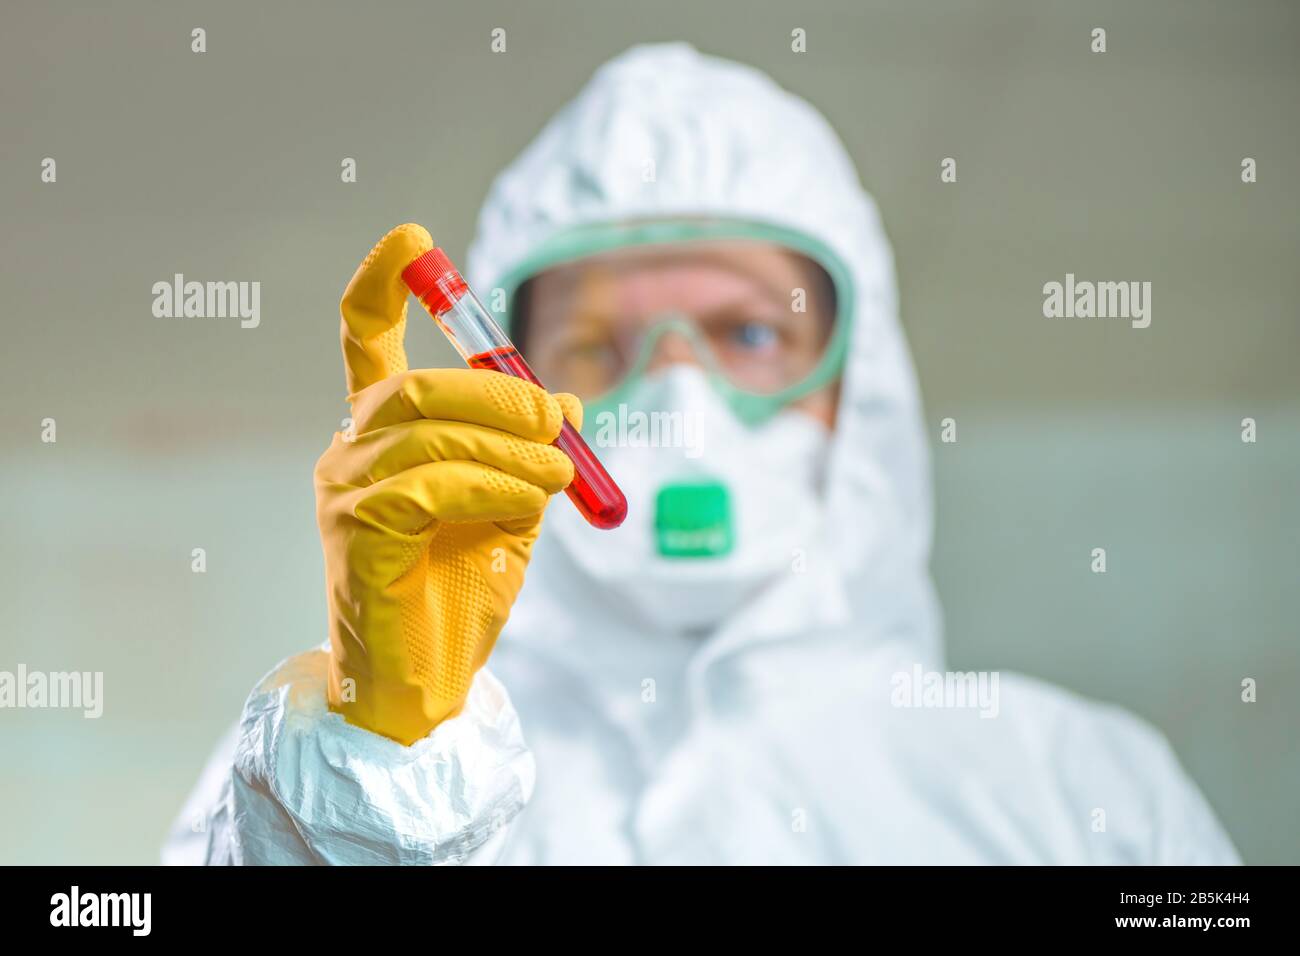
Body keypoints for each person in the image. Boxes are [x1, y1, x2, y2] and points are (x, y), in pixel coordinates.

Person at [163, 43, 1238, 865]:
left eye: (748, 333)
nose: (680, 394)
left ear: (857, 393)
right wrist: (384, 759)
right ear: (507, 388)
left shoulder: (1077, 788)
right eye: (598, 348)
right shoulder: (307, 769)